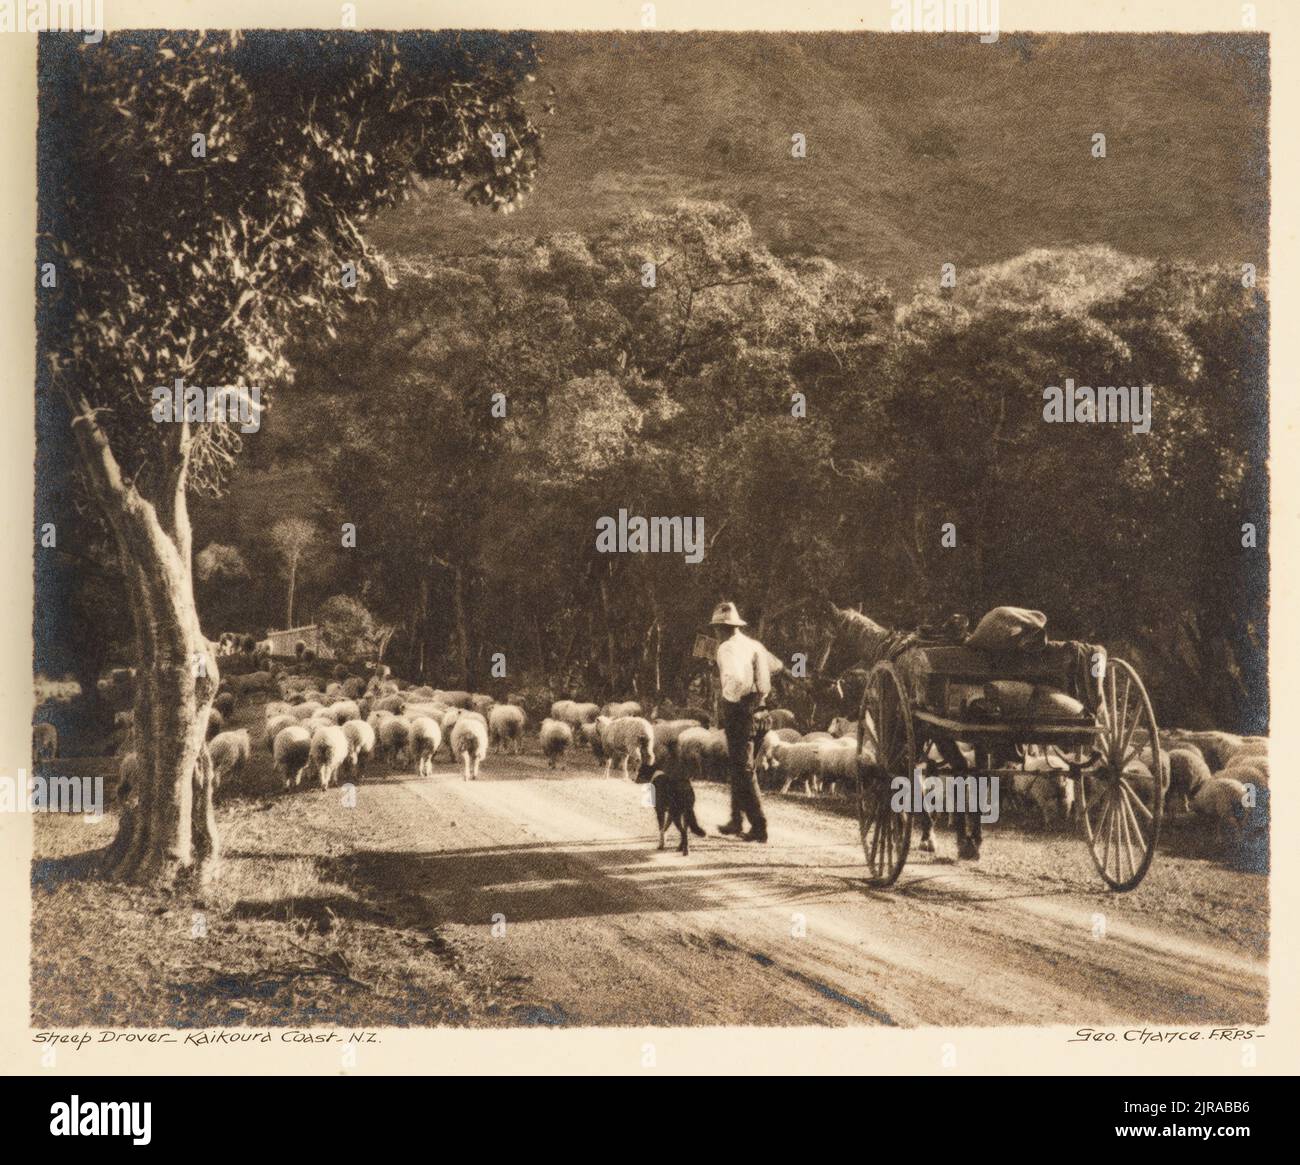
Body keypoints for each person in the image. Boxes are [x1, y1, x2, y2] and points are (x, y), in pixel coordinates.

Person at [710, 601, 772, 843]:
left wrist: (731, 700)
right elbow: (766, 679)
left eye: (716, 628)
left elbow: (735, 678)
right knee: (741, 767)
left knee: (744, 770)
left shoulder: (726, 648)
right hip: (762, 712)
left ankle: (759, 824)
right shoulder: (755, 645)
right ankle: (736, 819)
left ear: (722, 628)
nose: (715, 632)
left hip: (741, 714)